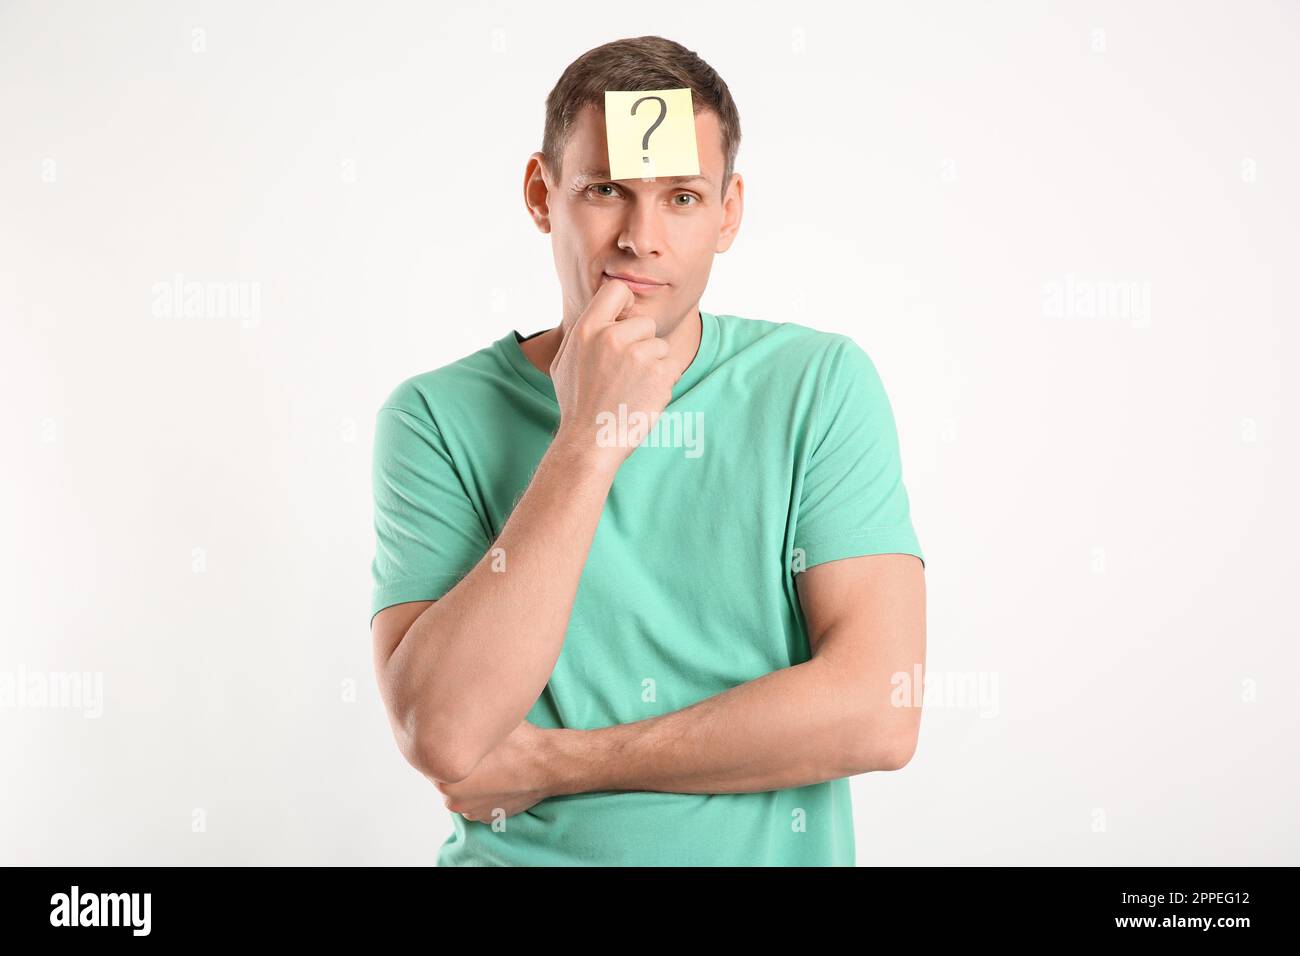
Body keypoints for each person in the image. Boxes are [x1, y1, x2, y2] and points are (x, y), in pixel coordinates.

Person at [369, 35, 927, 866]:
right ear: (540, 193)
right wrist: (587, 441)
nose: (642, 238)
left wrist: (562, 763)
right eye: (605, 190)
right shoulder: (434, 416)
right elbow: (445, 735)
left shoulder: (817, 384)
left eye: (683, 198)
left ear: (729, 211)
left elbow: (879, 712)